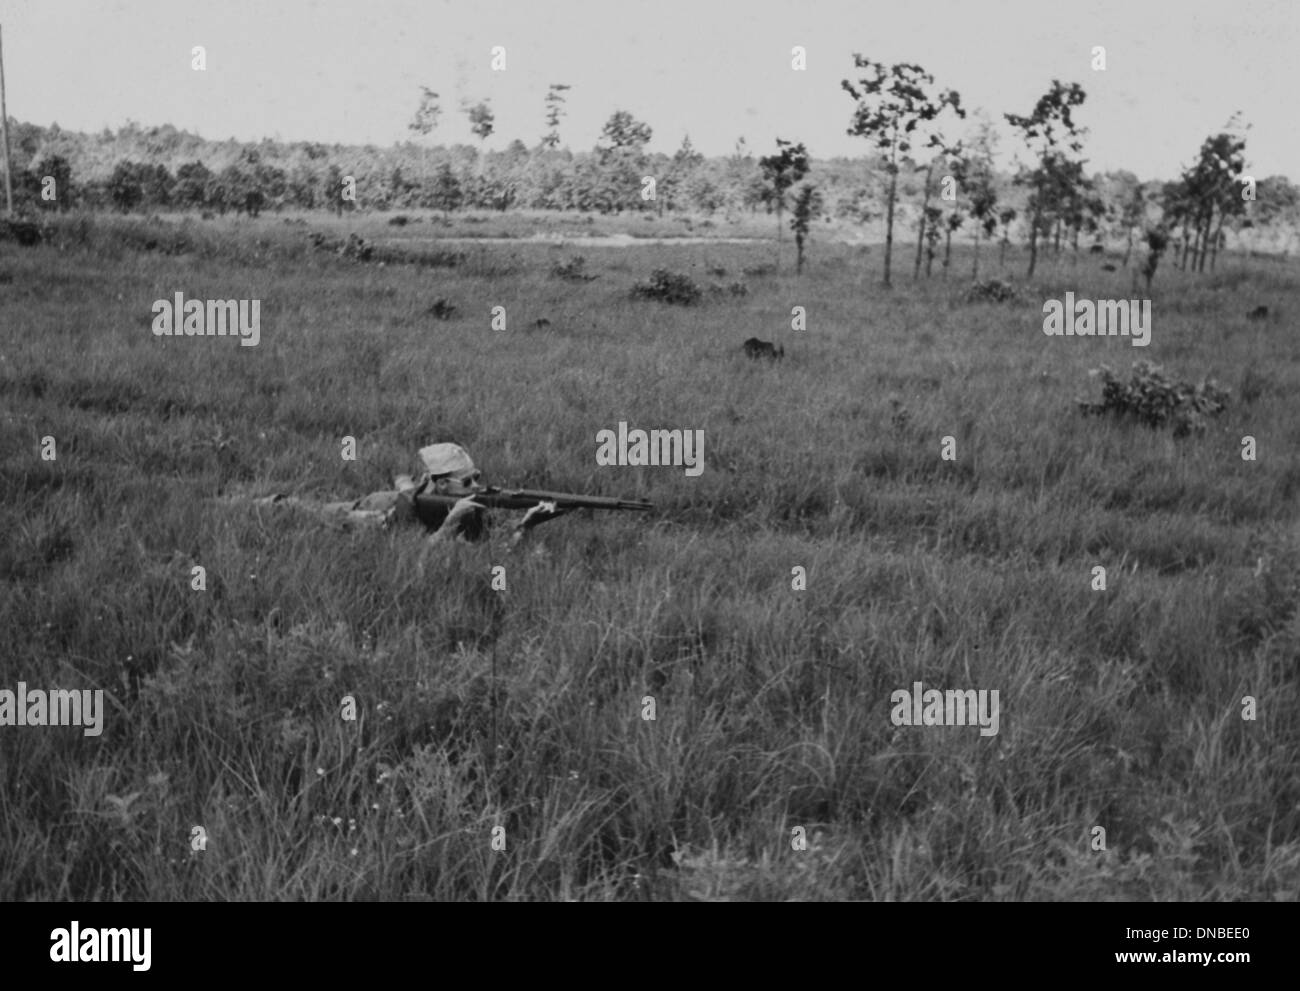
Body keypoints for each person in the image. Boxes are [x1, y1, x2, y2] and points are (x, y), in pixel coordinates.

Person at [237, 443, 566, 545]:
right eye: (465, 482)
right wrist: (451, 522)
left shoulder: (465, 505)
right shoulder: (404, 510)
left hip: (405, 500)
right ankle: (233, 506)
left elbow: (488, 547)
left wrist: (526, 525)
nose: (475, 487)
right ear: (437, 484)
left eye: (476, 478)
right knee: (295, 509)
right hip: (369, 514)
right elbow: (414, 553)